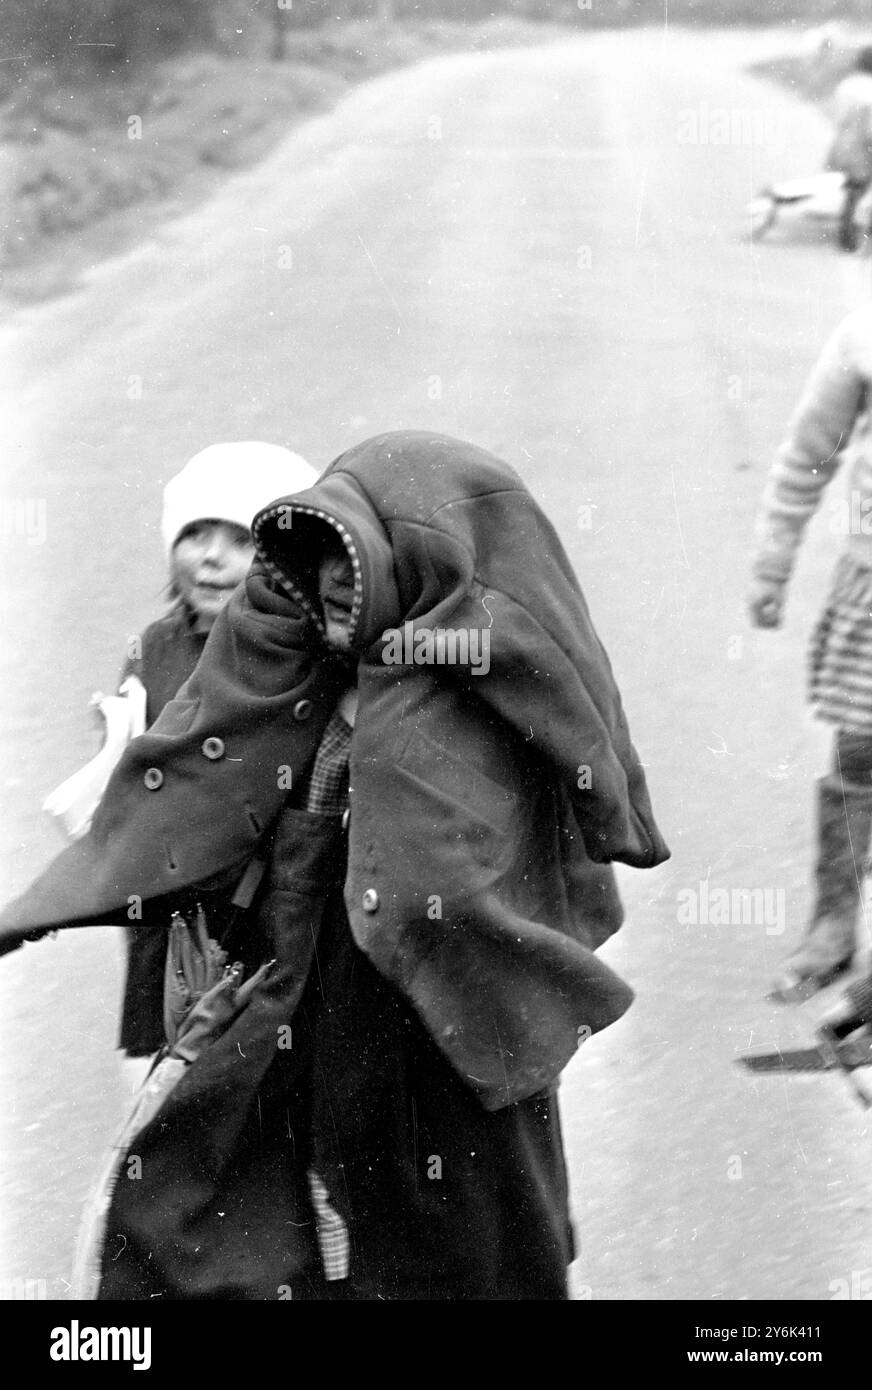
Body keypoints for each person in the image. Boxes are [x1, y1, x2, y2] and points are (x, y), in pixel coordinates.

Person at [0, 430, 669, 1300]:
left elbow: (527, 865)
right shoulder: (295, 673)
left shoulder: (476, 706)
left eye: (354, 565)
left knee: (473, 1244)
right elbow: (193, 791)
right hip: (307, 1010)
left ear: (424, 563)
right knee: (219, 1224)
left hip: (449, 1036)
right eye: (320, 566)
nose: (332, 588)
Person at [112, 441, 319, 1061]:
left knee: (259, 1081)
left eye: (240, 540)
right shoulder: (155, 646)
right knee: (171, 1075)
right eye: (195, 533)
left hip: (268, 907)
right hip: (170, 907)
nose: (210, 558)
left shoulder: (302, 655)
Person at [749, 307, 872, 1002]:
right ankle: (833, 923)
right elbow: (805, 457)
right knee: (860, 755)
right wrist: (772, 567)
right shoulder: (862, 338)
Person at [826, 46, 872, 250]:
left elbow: (836, 114)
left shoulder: (846, 86)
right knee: (859, 190)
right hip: (862, 147)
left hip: (843, 142)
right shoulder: (869, 90)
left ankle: (848, 233)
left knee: (854, 190)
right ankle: (851, 236)